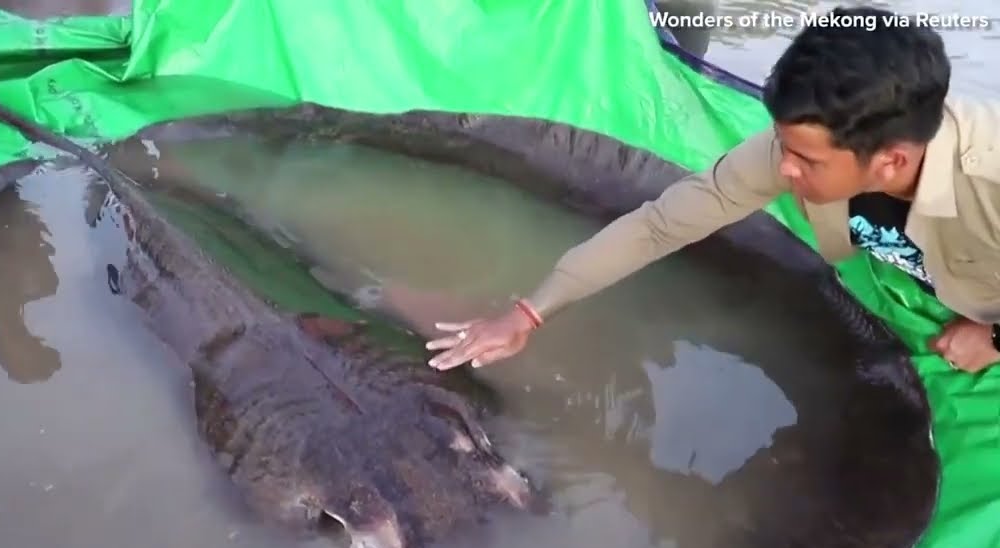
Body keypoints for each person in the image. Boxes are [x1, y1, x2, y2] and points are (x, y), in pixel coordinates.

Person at [427, 5, 1000, 374]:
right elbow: (659, 225)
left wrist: (992, 337)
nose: (784, 172)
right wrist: (529, 312)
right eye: (783, 145)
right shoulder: (789, 153)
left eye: (805, 159)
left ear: (891, 159)